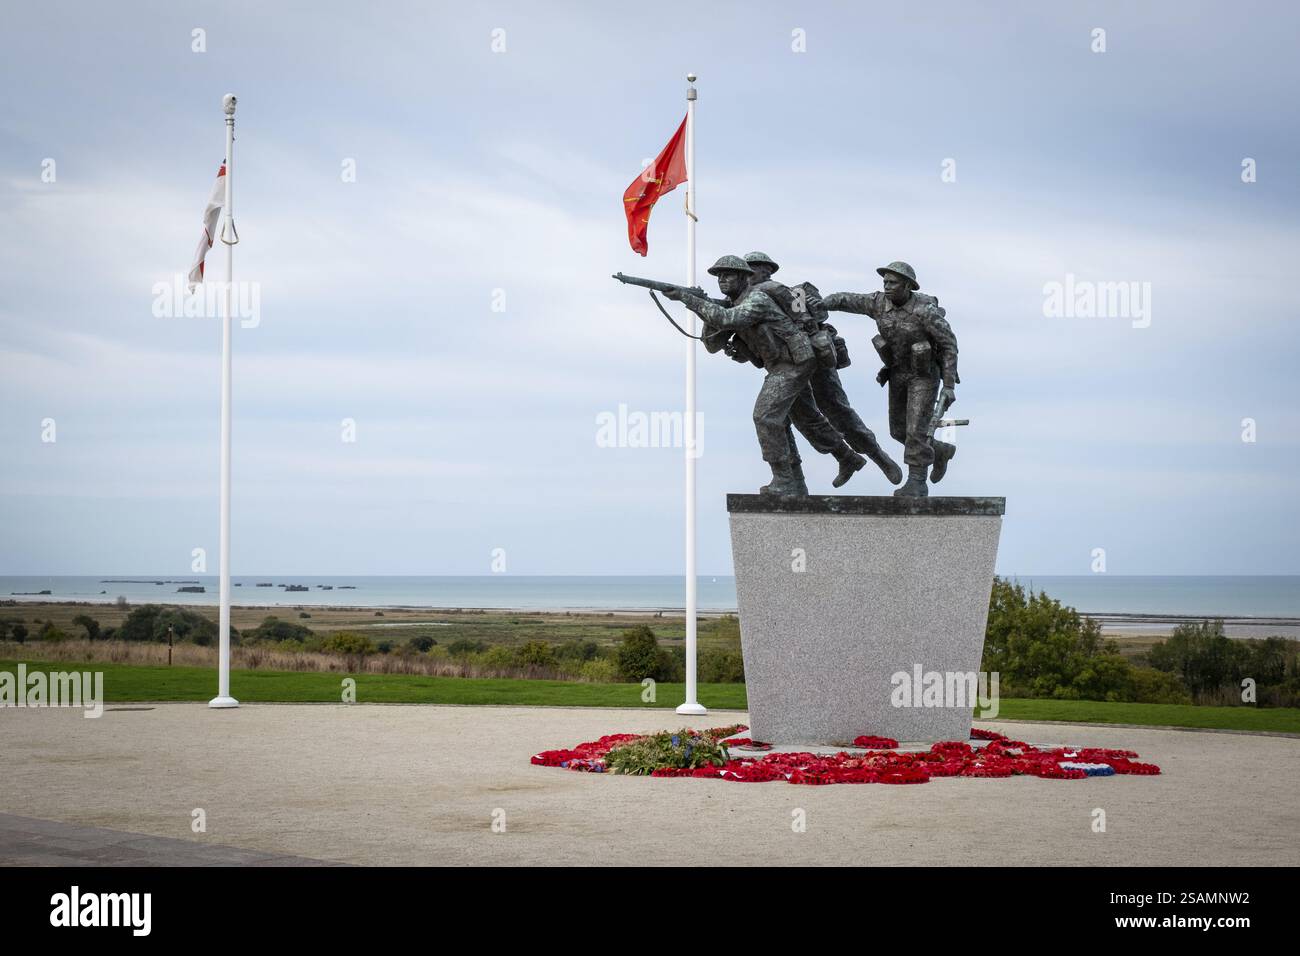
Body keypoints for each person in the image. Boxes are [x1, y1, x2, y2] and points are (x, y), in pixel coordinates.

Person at [665, 256, 866, 496]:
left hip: (793, 362)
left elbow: (729, 320)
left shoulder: (758, 298)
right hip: (780, 364)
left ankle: (784, 480)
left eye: (728, 275)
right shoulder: (731, 304)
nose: (722, 280)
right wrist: (703, 305)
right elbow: (712, 344)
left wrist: (688, 300)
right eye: (718, 276)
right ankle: (846, 458)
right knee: (806, 419)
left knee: (765, 417)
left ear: (743, 277)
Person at [743, 251, 902, 486]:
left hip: (812, 358)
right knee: (799, 416)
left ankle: (877, 456)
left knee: (837, 410)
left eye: (754, 269)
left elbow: (808, 318)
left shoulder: (779, 290)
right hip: (786, 367)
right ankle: (826, 466)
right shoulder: (742, 299)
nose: (750, 275)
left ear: (766, 270)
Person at [822, 261, 958, 497]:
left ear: (907, 286)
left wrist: (948, 385)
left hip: (923, 375)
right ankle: (939, 450)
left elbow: (948, 345)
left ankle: (917, 482)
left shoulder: (924, 311)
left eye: (892, 283)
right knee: (898, 431)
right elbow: (846, 300)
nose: (886, 286)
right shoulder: (877, 303)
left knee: (916, 429)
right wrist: (822, 304)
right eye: (884, 282)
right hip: (897, 372)